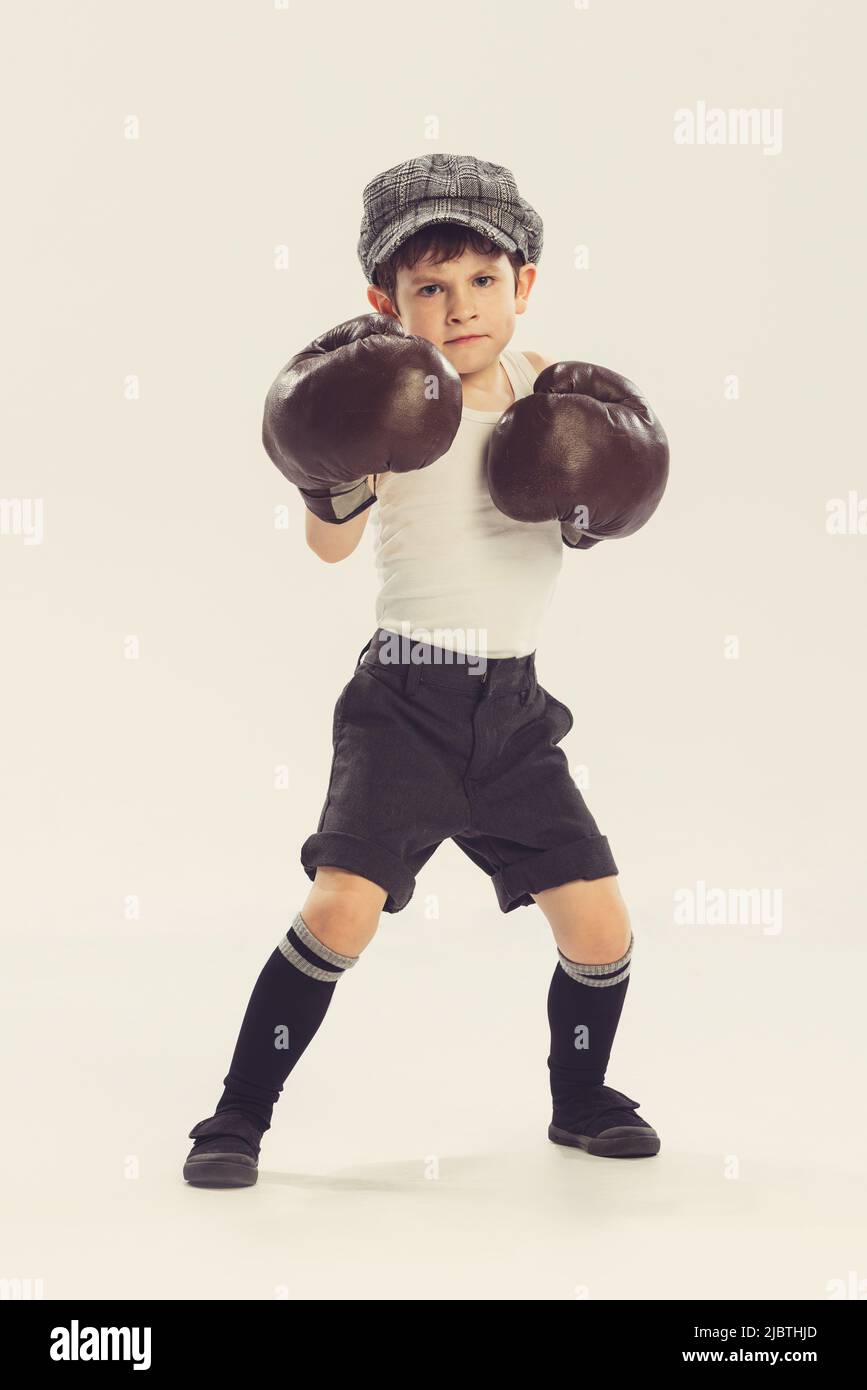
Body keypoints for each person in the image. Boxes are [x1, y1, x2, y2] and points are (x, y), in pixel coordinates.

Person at [184, 153, 669, 1187]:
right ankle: (235, 1116)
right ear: (385, 302)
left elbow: (590, 525)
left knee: (599, 921)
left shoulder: (559, 393)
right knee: (341, 908)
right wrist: (332, 484)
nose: (460, 308)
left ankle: (580, 1101)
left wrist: (593, 495)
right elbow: (328, 552)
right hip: (403, 700)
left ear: (523, 282)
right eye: (431, 290)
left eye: (483, 281)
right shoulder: (383, 407)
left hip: (518, 710)